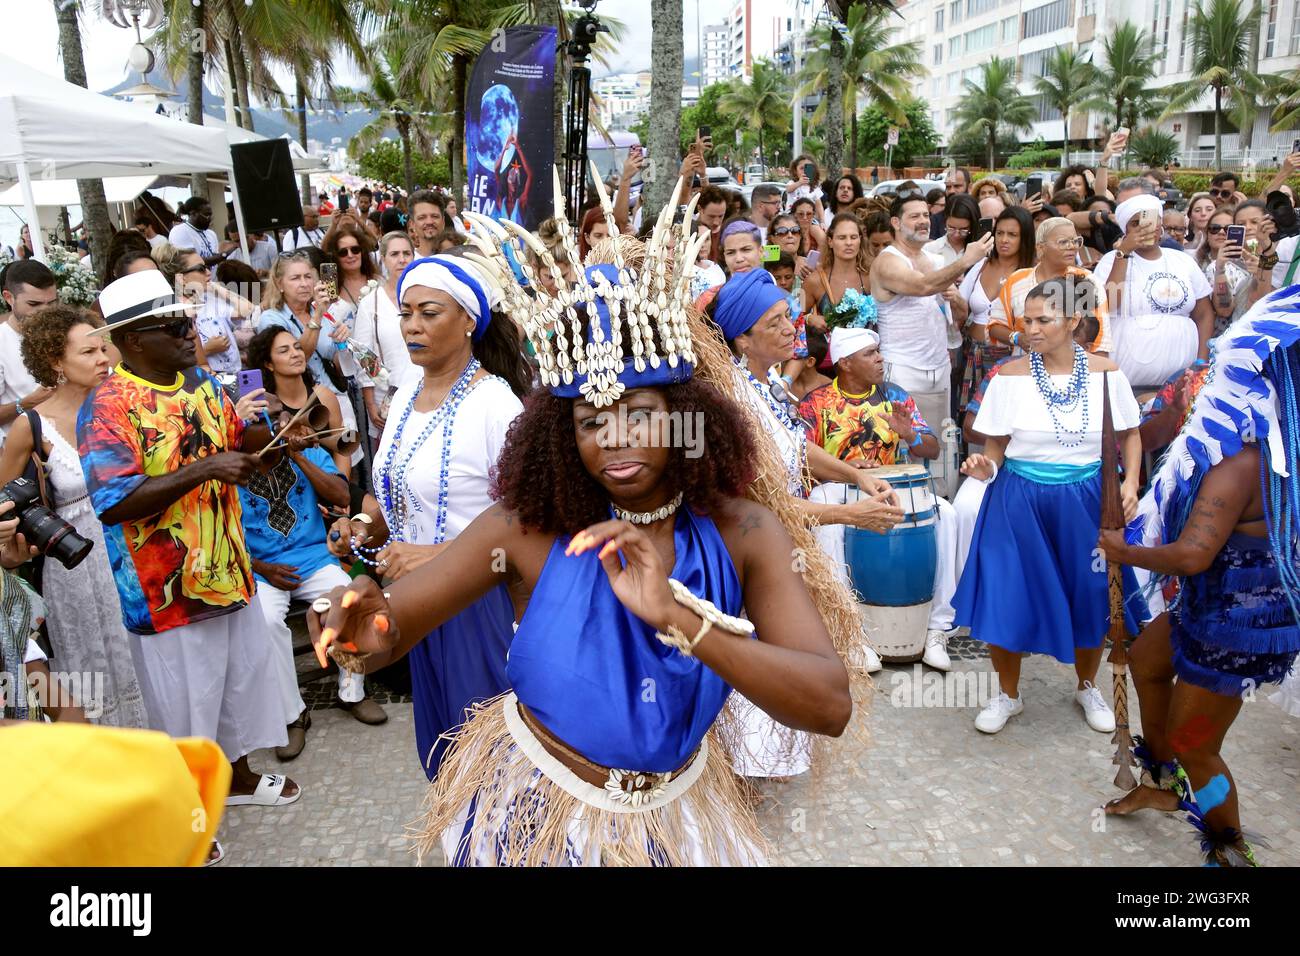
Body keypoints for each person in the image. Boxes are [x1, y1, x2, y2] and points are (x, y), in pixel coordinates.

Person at [307, 204, 867, 865]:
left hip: (683, 818)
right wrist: (355, 630)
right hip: (540, 817)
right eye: (591, 421)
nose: (615, 439)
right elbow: (386, 633)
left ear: (685, 419)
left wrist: (679, 617)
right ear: (563, 437)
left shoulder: (746, 531)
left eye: (638, 415)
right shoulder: (523, 531)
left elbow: (828, 704)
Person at [78, 271, 300, 864]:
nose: (188, 330)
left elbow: (237, 443)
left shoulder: (200, 381)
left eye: (186, 319)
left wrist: (266, 430)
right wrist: (207, 469)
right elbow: (115, 502)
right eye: (171, 324)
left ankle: (241, 779)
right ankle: (186, 817)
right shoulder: (107, 406)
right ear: (131, 339)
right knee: (185, 709)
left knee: (238, 688)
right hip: (165, 591)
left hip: (229, 571)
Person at [1099, 295, 1300, 866]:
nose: (1198, 383)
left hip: (1239, 626)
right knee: (1147, 662)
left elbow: (1190, 555)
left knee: (1196, 745)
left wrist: (1123, 548)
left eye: (1211, 374)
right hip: (1209, 606)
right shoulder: (1239, 448)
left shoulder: (1240, 462)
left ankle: (1229, 847)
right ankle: (1163, 784)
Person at [326, 254, 529, 780]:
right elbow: (386, 495)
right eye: (406, 313)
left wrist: (437, 556)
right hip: (417, 602)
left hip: (477, 604)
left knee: (492, 754)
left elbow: (530, 522)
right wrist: (363, 529)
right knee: (442, 749)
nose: (413, 325)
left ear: (468, 321)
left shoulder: (495, 404)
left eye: (430, 313)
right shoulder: (404, 398)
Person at [954, 276, 1144, 735]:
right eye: (1027, 321)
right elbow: (995, 444)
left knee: (1092, 592)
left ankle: (1086, 685)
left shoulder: (1105, 371)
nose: (1032, 329)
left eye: (1044, 320)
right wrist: (985, 466)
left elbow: (1130, 433)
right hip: (1018, 499)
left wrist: (1132, 482)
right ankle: (1007, 695)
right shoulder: (1008, 375)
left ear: (1073, 320)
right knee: (1007, 593)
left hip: (1087, 497)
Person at [0, 305, 147, 728]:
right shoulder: (32, 426)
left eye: (103, 349)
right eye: (88, 352)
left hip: (132, 551)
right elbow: (5, 498)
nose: (103, 358)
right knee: (94, 667)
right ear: (54, 361)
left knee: (142, 656)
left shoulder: (123, 407)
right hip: (75, 565)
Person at [240, 328, 382, 751]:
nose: (270, 429)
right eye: (259, 423)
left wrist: (297, 453)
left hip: (312, 555)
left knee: (349, 594)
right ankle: (291, 714)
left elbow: (341, 495)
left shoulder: (301, 449)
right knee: (264, 621)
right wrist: (260, 567)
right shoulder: (233, 465)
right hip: (262, 569)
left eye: (276, 422)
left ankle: (351, 691)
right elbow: (224, 530)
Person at [799, 327, 960, 669]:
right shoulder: (816, 403)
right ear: (845, 363)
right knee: (828, 520)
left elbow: (932, 448)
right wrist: (845, 467)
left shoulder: (894, 394)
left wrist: (910, 434)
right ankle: (851, 631)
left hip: (893, 491)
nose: (880, 358)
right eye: (870, 353)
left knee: (947, 513)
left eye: (879, 351)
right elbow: (800, 463)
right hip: (837, 487)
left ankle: (936, 628)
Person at [871, 193, 993, 498]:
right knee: (904, 446)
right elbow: (922, 286)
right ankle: (904, 512)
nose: (923, 221)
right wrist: (967, 259)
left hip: (939, 366)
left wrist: (959, 302)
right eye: (914, 216)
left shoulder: (936, 261)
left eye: (926, 215)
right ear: (896, 223)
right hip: (902, 368)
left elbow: (959, 318)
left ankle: (939, 507)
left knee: (940, 446)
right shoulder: (887, 260)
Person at [1093, 194, 1214, 393]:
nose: (1144, 228)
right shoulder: (1111, 260)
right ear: (1125, 229)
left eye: (1149, 221)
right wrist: (1123, 254)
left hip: (1183, 382)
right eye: (1135, 223)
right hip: (1128, 380)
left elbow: (1204, 313)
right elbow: (1109, 305)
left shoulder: (1182, 260)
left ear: (1160, 226)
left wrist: (1202, 360)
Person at [258, 250, 357, 465]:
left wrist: (343, 344)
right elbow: (299, 358)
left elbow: (338, 365)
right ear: (279, 283)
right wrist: (317, 317)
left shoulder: (321, 310)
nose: (304, 283)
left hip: (335, 400)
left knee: (347, 458)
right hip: (299, 408)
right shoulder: (271, 317)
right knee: (310, 465)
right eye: (295, 278)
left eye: (307, 277)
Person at [990, 215, 1110, 357]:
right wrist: (1018, 338)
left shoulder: (1089, 282)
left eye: (1076, 241)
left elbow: (1101, 343)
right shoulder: (1017, 280)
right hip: (1025, 371)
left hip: (1077, 374)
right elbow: (995, 326)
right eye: (1063, 242)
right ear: (1041, 247)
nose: (1072, 246)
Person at [959, 207, 1035, 414]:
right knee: (973, 419)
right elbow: (959, 303)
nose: (1004, 240)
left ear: (1025, 238)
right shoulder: (981, 265)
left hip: (1013, 356)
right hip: (973, 354)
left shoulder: (1032, 273)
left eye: (1012, 235)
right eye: (1000, 233)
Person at [353, 231, 417, 435]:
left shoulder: (425, 294)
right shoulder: (371, 302)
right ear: (383, 259)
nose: (402, 259)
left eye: (407, 253)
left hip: (430, 391)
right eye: (395, 254)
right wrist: (371, 404)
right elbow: (364, 355)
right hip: (390, 398)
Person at [0, 260, 58, 437]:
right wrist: (26, 403)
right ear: (9, 298)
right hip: (29, 454)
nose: (45, 312)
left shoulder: (65, 332)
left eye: (52, 303)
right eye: (34, 304)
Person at [803, 213, 873, 335]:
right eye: (842, 237)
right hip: (829, 352)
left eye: (854, 237)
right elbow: (793, 316)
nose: (849, 242)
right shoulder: (814, 281)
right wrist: (809, 318)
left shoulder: (871, 278)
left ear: (860, 240)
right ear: (830, 241)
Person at [1195, 206, 1254, 336]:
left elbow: (1225, 310)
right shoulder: (1192, 263)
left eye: (1228, 229)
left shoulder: (1252, 264)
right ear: (1207, 233)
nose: (1221, 232)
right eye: (1215, 229)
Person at [923, 194, 979, 268]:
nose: (956, 234)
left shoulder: (980, 250)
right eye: (951, 228)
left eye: (963, 230)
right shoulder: (930, 249)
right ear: (944, 222)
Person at [168, 197, 224, 266]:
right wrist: (224, 255)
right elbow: (191, 262)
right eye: (206, 215)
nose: (209, 218)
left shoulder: (211, 233)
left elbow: (215, 257)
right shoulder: (179, 231)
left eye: (210, 215)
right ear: (193, 214)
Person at [408, 190, 448, 258]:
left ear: (443, 221)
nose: (429, 222)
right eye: (422, 218)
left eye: (435, 216)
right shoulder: (407, 262)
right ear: (412, 224)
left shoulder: (457, 259)